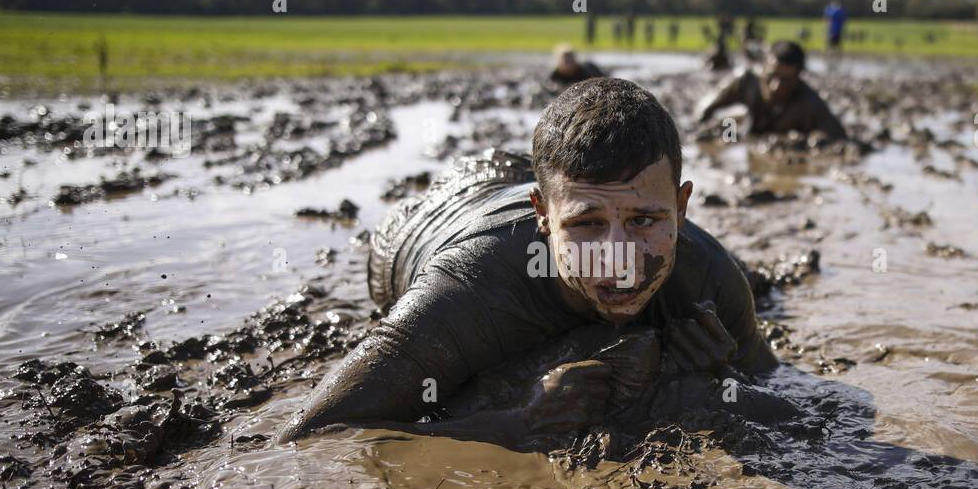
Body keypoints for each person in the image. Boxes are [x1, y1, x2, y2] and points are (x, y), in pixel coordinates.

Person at [277, 78, 777, 442]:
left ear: (682, 206)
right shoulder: (467, 286)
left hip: (520, 178)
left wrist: (723, 373)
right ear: (542, 216)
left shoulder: (711, 276)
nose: (621, 259)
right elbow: (316, 431)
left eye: (646, 220)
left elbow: (772, 381)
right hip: (426, 217)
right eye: (588, 225)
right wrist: (512, 424)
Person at [696, 39, 846, 139]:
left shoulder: (810, 103)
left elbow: (841, 139)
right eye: (771, 76)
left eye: (786, 81)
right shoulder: (746, 80)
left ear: (799, 78)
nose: (776, 86)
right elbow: (703, 109)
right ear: (764, 68)